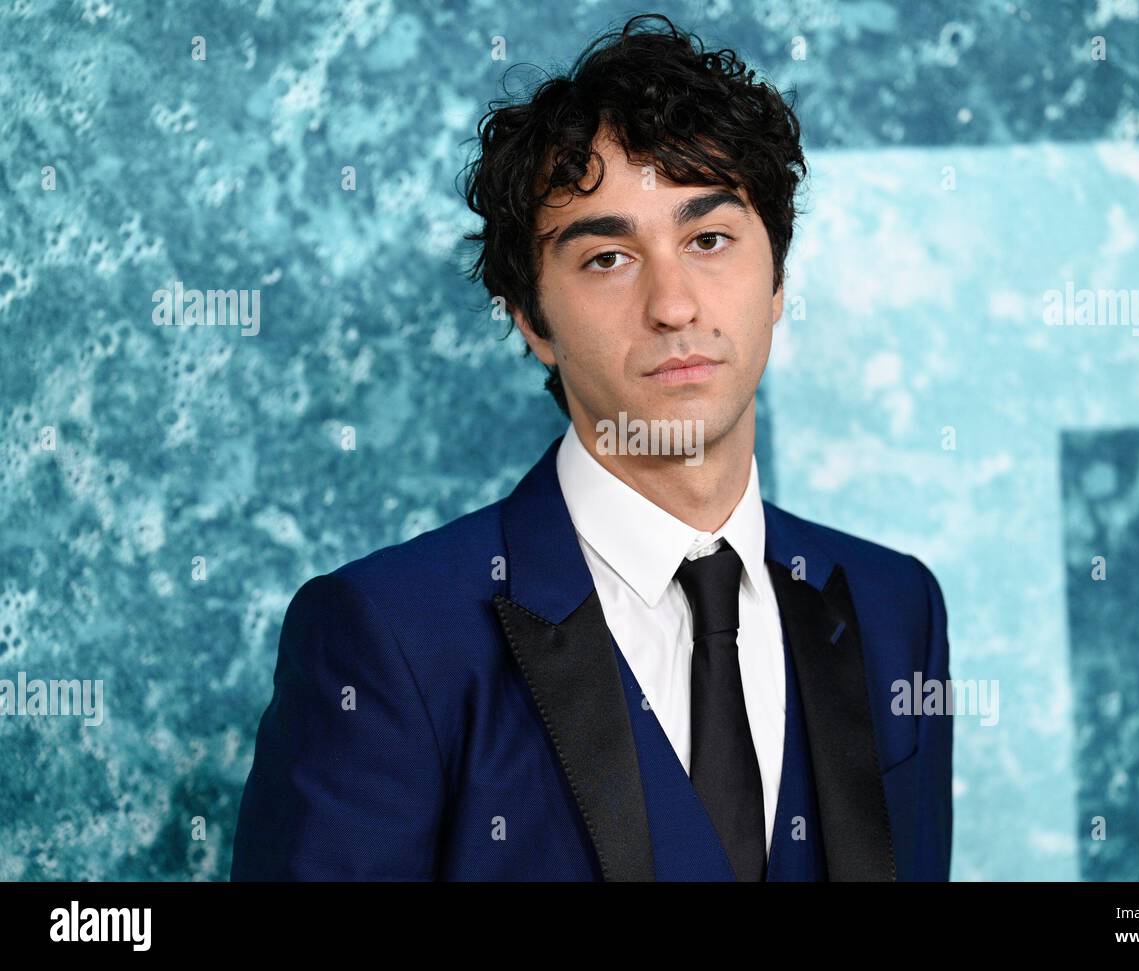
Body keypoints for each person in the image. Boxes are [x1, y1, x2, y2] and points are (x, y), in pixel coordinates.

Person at [231, 13, 951, 882]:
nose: (674, 305)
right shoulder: (387, 638)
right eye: (608, 257)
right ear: (533, 318)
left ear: (777, 280)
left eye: (710, 238)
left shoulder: (894, 606)